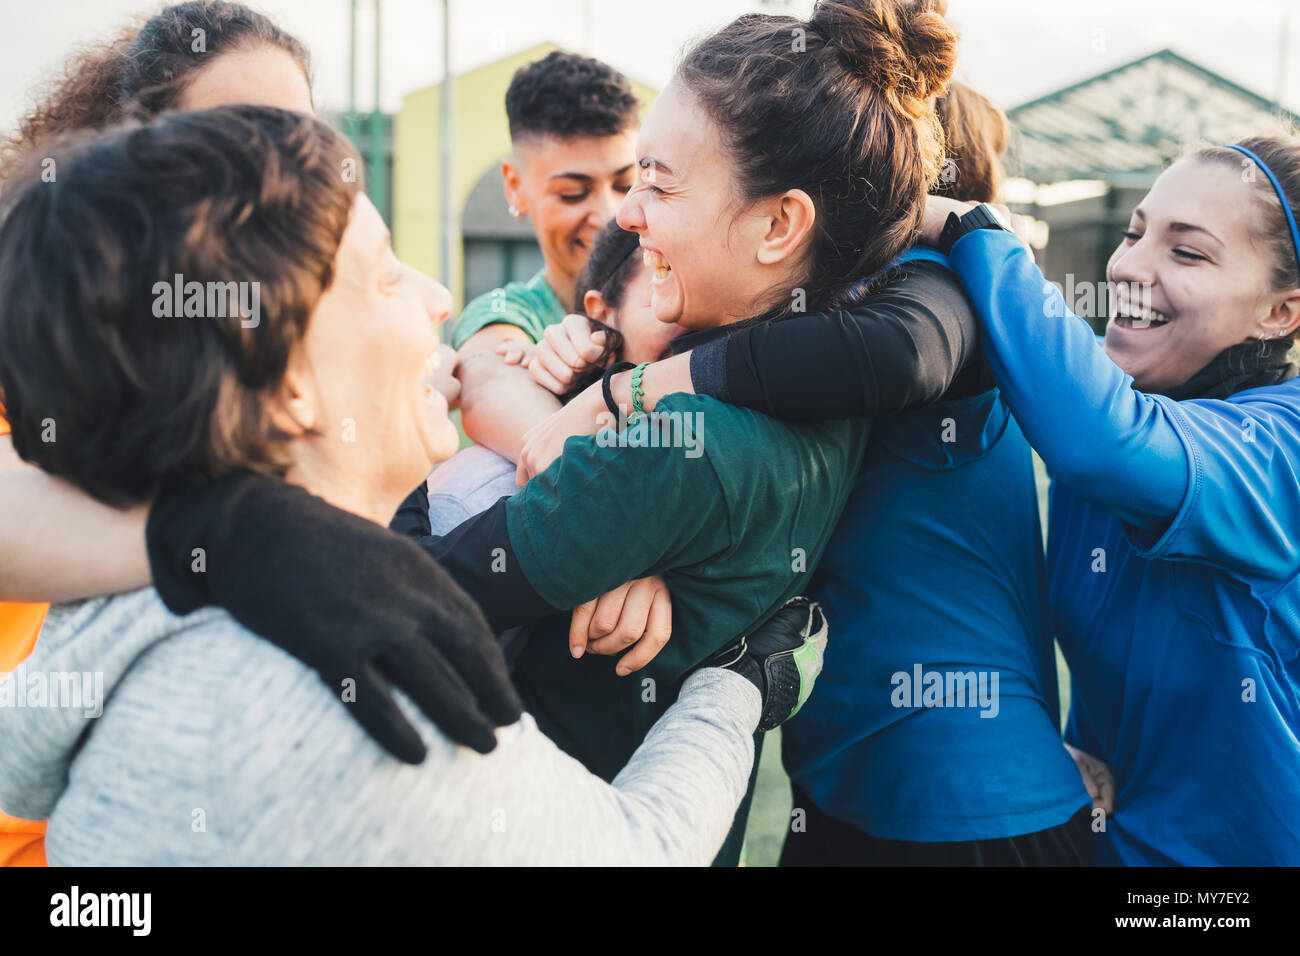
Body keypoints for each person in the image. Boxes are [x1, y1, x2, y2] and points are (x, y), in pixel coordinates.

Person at [1, 0, 959, 867]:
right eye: (381, 278)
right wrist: (737, 674)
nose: (436, 293)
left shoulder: (141, 597)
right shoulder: (356, 689)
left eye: (649, 182)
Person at [515, 13, 1093, 863]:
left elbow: (893, 357)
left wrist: (632, 391)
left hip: (966, 800)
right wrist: (637, 542)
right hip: (842, 785)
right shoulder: (793, 315)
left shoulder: (932, 297)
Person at [913, 133, 1300, 865]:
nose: (1129, 267)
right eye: (1135, 233)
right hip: (1105, 849)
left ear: (1280, 313)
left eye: (1187, 253)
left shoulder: (1281, 443)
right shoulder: (1117, 399)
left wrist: (974, 231)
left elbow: (1102, 442)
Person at [0, 0, 317, 869]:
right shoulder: (36, 322)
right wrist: (249, 534)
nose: (274, 182)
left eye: (299, 147)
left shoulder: (279, 351)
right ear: (132, 159)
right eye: (233, 144)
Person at [453, 51, 642, 463]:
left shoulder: (681, 294)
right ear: (515, 187)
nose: (609, 216)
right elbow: (488, 378)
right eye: (573, 193)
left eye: (626, 183)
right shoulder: (508, 314)